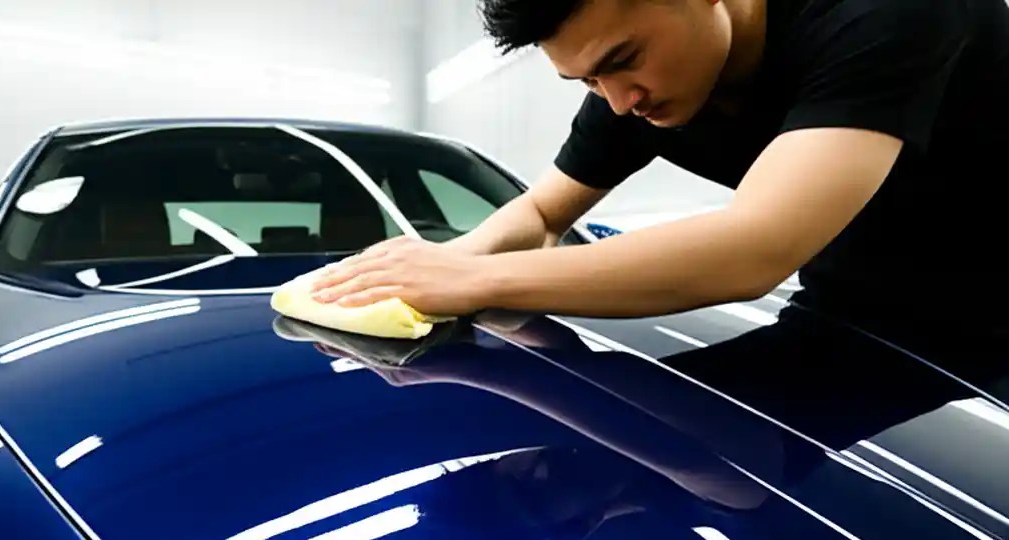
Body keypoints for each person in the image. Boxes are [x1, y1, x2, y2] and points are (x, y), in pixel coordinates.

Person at [310, 0, 1009, 357]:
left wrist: (478, 281)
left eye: (623, 57)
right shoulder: (631, 92)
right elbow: (544, 214)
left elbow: (755, 249)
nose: (618, 99)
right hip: (851, 320)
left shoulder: (882, 14)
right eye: (587, 78)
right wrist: (443, 261)